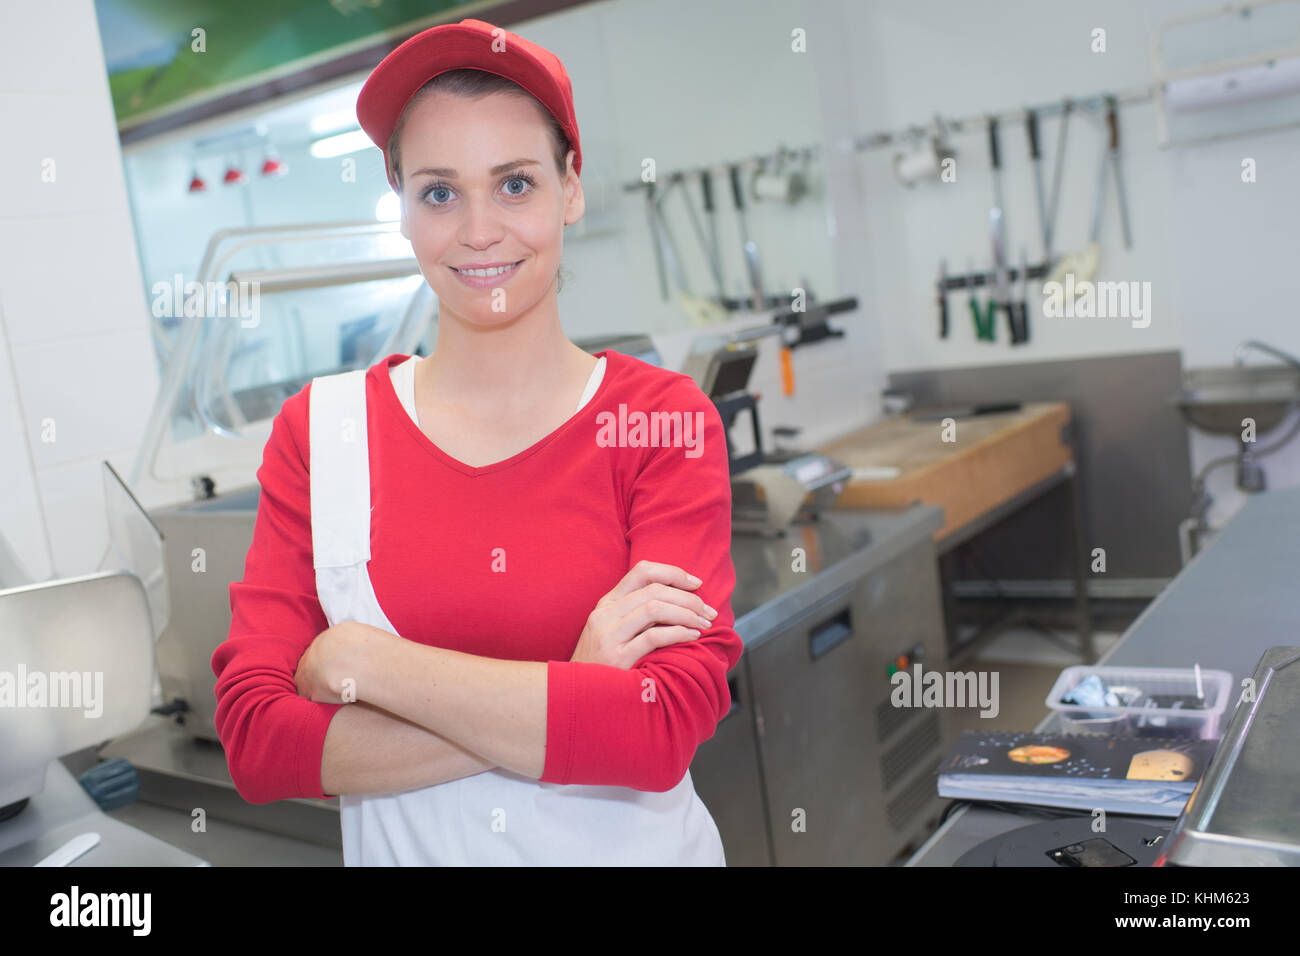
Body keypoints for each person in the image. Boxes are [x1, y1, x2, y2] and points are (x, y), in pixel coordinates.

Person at [211, 18, 742, 865]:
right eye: (440, 191)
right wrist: (576, 685)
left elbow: (661, 726)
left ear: (572, 188)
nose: (480, 230)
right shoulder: (323, 431)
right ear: (403, 209)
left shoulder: (660, 418)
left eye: (516, 183)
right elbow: (259, 746)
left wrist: (365, 664)